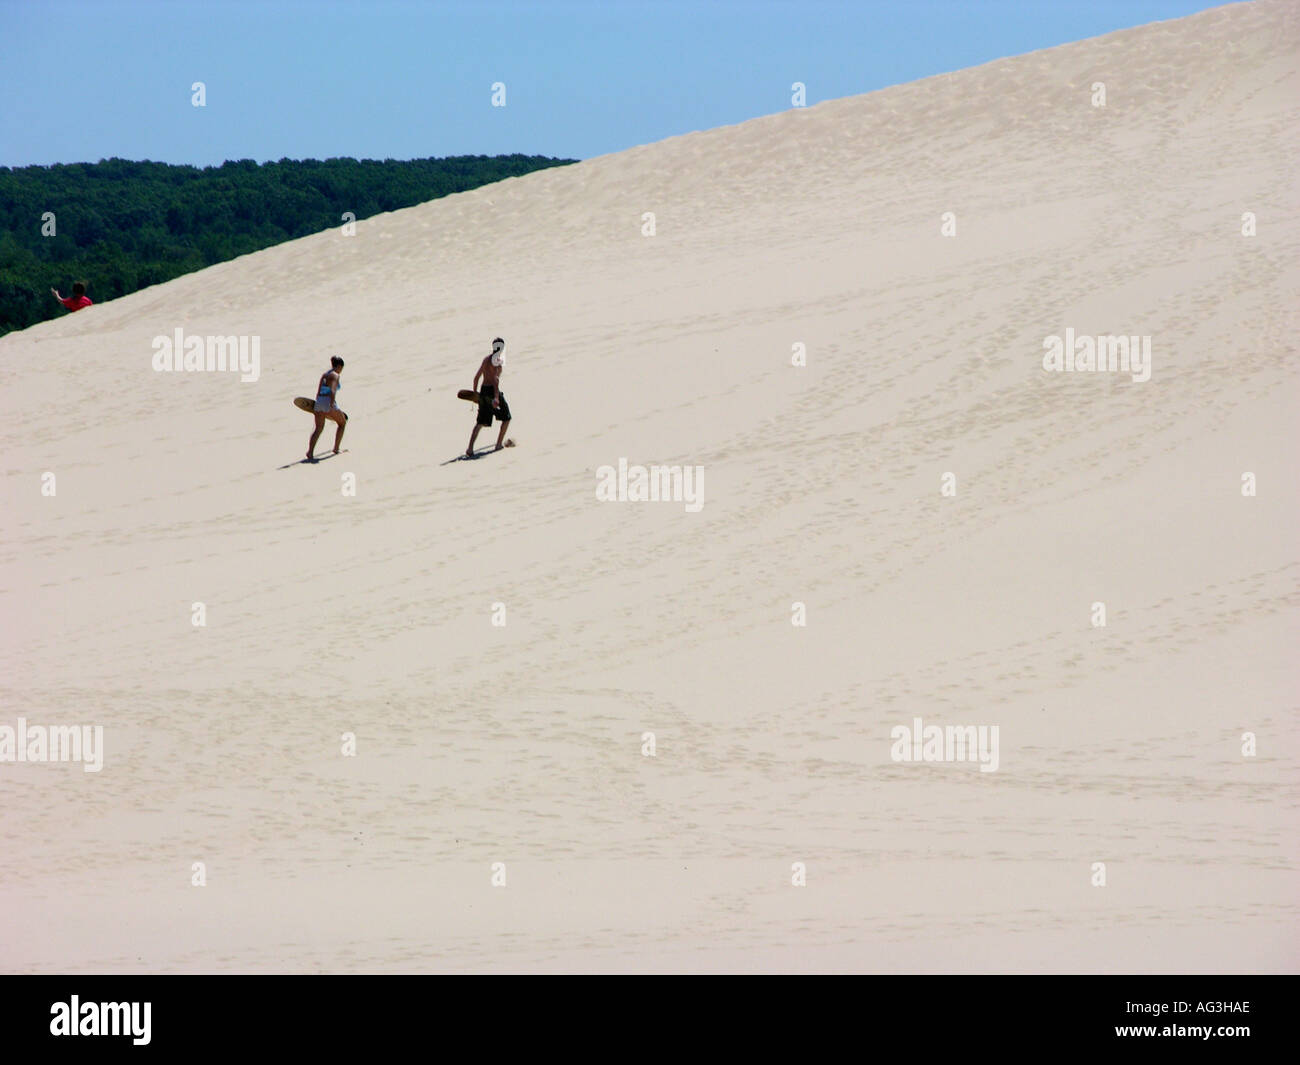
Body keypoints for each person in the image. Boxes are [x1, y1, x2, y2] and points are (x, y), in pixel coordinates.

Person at [466, 338, 511, 457]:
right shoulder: (498, 360)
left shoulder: (486, 360)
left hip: (483, 391)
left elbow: (476, 378)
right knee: (507, 417)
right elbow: (496, 381)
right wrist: (496, 397)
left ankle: (470, 448)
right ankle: (498, 444)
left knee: (480, 422)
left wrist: (475, 394)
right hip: (492, 391)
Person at [307, 356, 347, 461]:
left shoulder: (324, 375)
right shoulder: (335, 375)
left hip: (319, 402)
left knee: (318, 428)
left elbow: (319, 391)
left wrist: (318, 405)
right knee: (342, 423)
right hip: (329, 402)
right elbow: (333, 390)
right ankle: (336, 449)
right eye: (341, 368)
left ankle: (310, 452)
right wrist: (332, 404)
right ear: (339, 366)